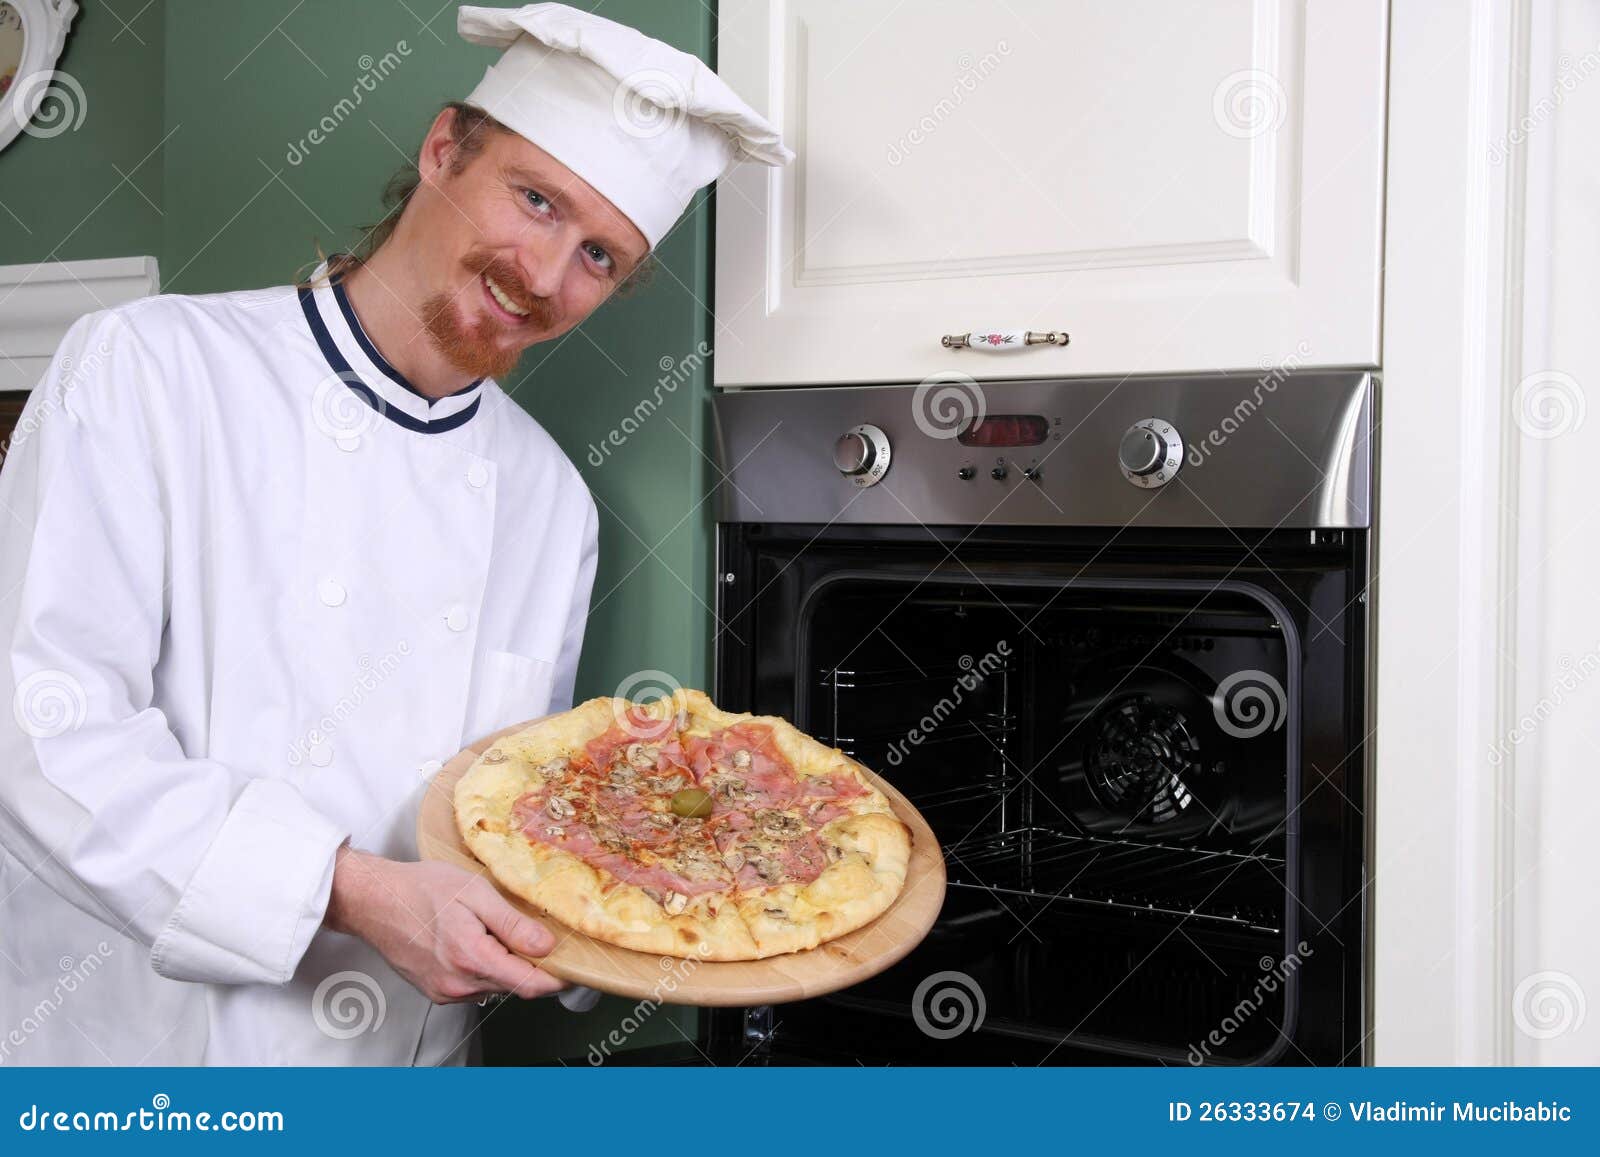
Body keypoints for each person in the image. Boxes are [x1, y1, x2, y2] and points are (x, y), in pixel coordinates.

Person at [0, 3, 791, 1065]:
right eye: (535, 199)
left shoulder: (552, 503)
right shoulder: (148, 368)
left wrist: (641, 893)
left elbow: (506, 813)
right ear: (442, 149)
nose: (544, 275)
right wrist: (348, 891)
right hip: (143, 1061)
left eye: (599, 255)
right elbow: (41, 738)